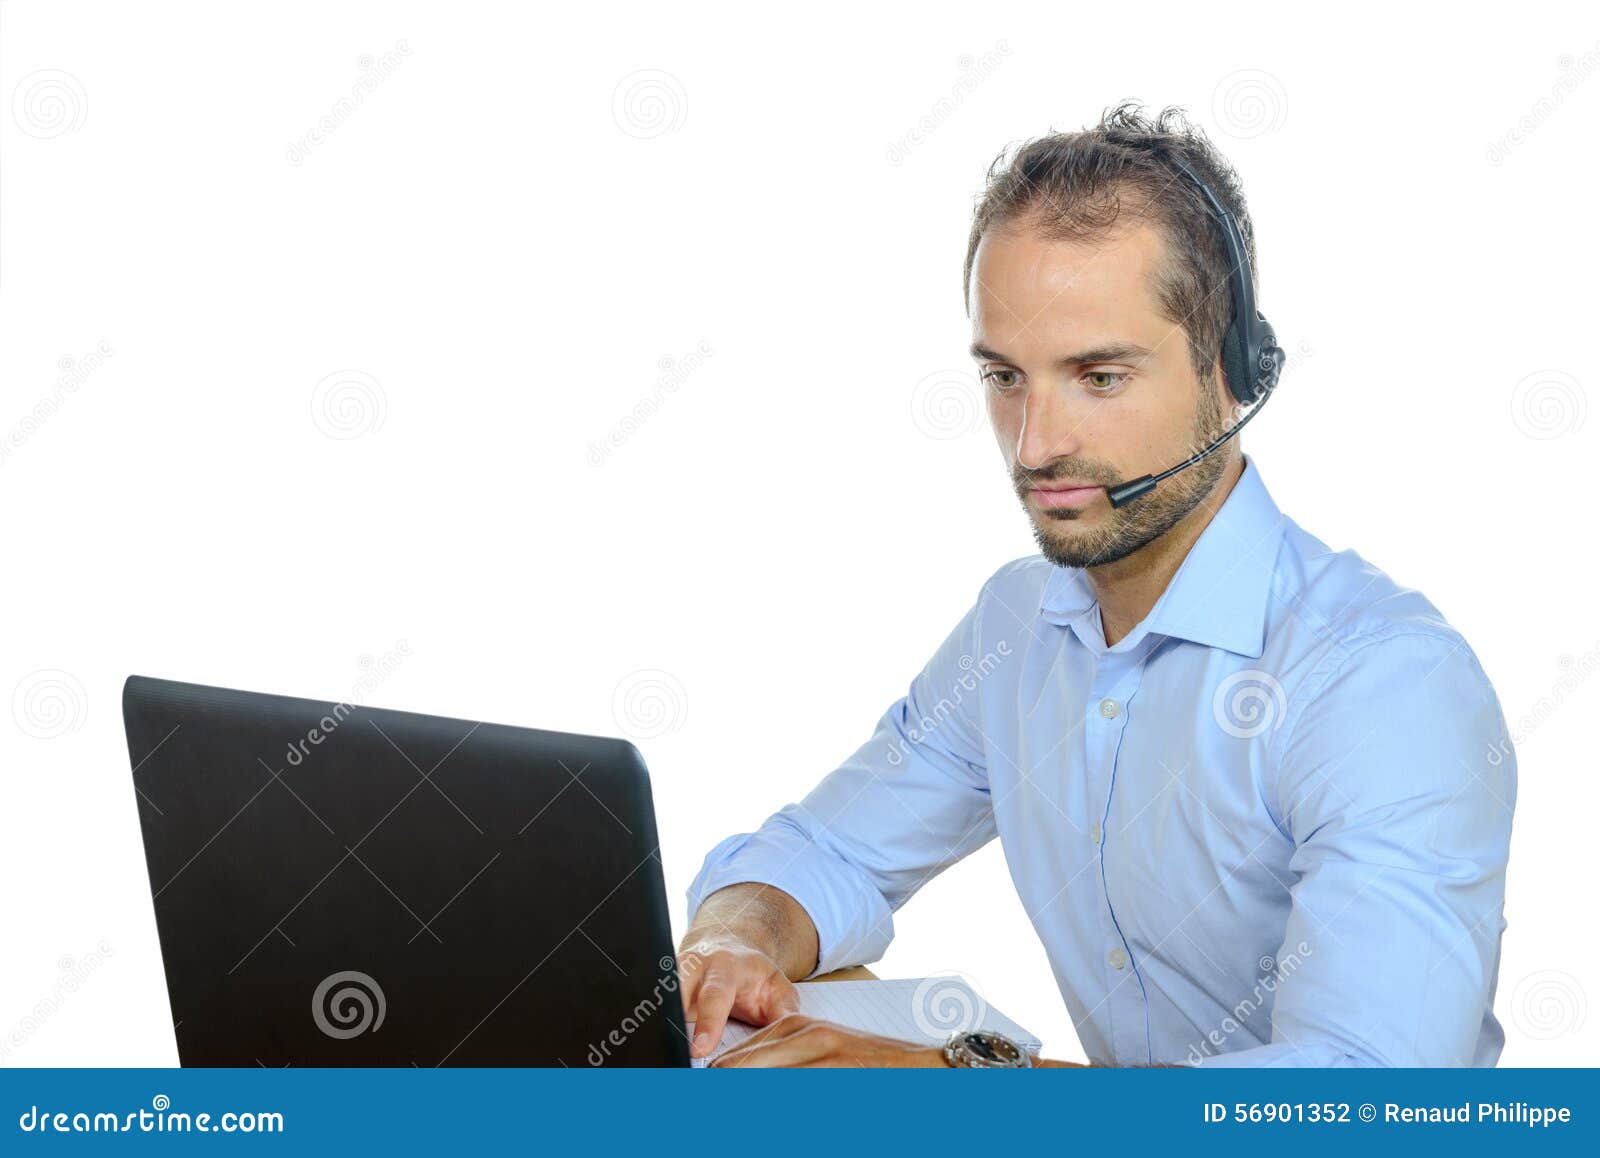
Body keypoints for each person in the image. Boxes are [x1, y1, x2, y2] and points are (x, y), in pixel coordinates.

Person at [677, 102, 1516, 1068]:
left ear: (1234, 367)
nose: (1035, 447)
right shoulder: (1018, 626)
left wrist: (960, 1085)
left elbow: (1362, 1103)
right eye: (1005, 377)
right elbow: (825, 853)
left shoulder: (1384, 685)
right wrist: (734, 943)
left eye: (1099, 376)